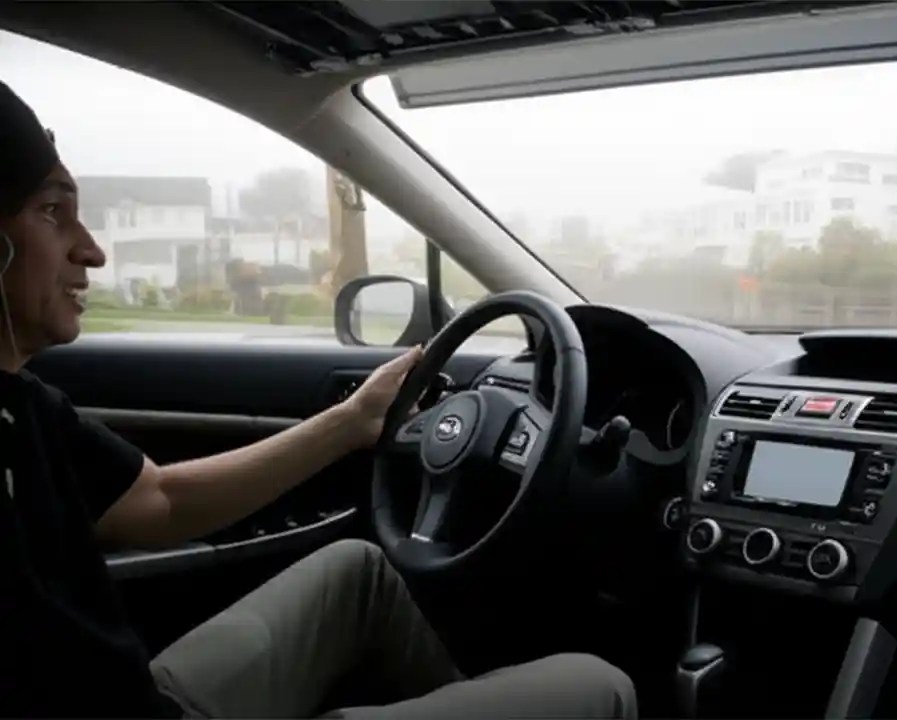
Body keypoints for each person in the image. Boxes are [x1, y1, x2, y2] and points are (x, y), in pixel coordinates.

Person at [0, 81, 636, 719]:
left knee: (358, 574)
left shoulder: (23, 407)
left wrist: (350, 422)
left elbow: (159, 500)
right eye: (52, 211)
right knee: (600, 685)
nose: (92, 249)